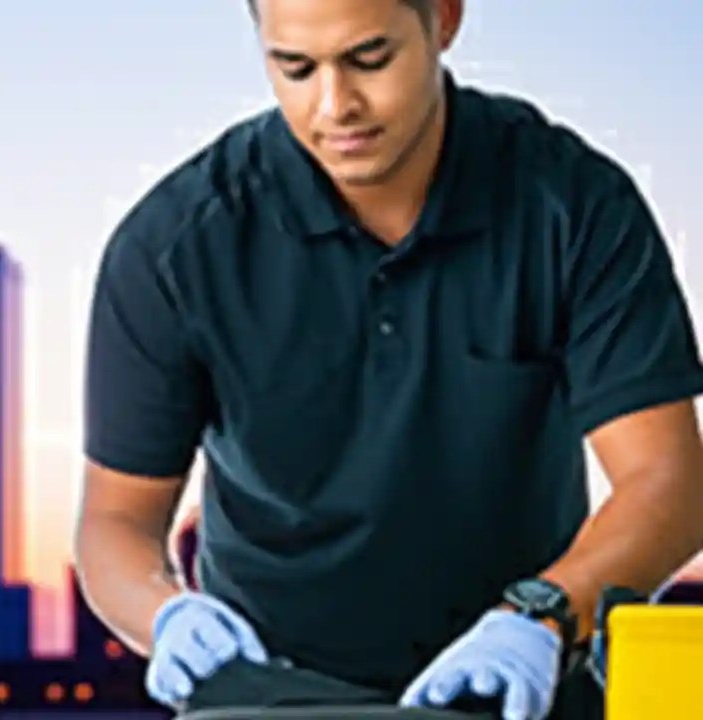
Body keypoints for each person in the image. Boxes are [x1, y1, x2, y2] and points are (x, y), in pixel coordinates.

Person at [71, 1, 703, 719]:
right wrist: (164, 616)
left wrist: (542, 617)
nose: (336, 106)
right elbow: (115, 523)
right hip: (269, 699)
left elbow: (668, 484)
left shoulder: (572, 204)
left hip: (522, 691)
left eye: (370, 59)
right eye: (295, 68)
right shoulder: (174, 248)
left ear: (444, 20)